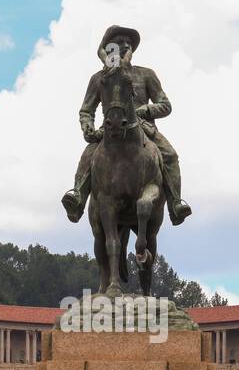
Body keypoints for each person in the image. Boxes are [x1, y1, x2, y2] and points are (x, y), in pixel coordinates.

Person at [61, 25, 192, 226]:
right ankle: (77, 197)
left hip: (144, 130)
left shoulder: (146, 74)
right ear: (109, 47)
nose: (125, 45)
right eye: (119, 41)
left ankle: (175, 204)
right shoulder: (99, 78)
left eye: (128, 42)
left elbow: (165, 105)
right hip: (109, 130)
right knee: (88, 156)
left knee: (170, 155)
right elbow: (86, 110)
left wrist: (145, 111)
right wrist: (87, 126)